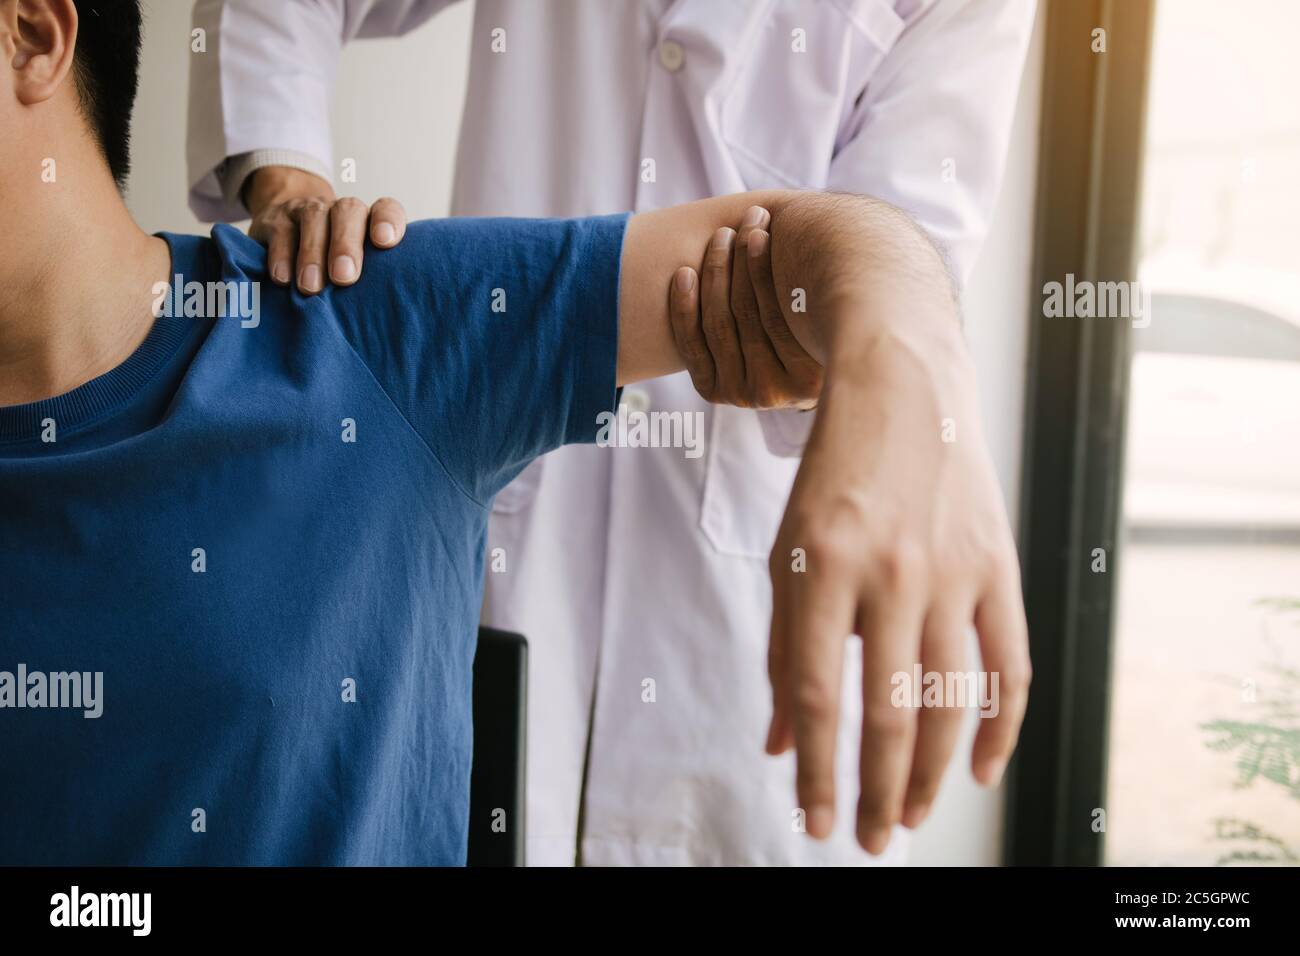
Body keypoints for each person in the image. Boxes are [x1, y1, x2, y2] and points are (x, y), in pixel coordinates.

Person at [0, 0, 1027, 865]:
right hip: (483, 490)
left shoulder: (403, 331)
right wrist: (291, 183)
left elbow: (880, 252)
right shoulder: (372, 319)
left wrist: (907, 381)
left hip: (744, 608)